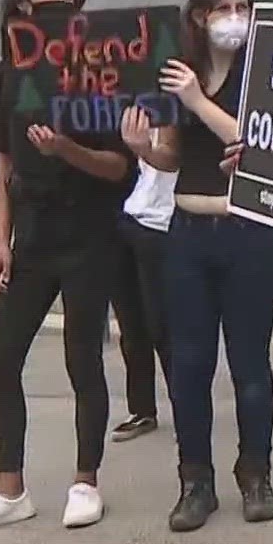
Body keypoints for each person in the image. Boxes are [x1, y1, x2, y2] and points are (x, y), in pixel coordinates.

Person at [0, 0, 129, 536]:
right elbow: (3, 162)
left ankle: (85, 480)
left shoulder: (99, 72)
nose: (55, 2)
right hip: (34, 236)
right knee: (0, 361)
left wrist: (66, 151)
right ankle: (10, 490)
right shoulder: (9, 76)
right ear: (22, 5)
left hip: (90, 234)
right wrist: (1, 238)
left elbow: (118, 167)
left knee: (82, 360)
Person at [122, 0, 273, 533]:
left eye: (243, 7)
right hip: (189, 232)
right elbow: (171, 155)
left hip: (250, 232)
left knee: (250, 363)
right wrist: (144, 148)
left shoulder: (262, 69)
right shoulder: (179, 74)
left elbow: (259, 139)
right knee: (189, 363)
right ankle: (195, 479)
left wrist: (197, 101)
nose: (234, 19)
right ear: (199, 15)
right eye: (223, 9)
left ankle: (256, 471)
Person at [109, 136, 176, 442]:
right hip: (128, 216)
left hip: (164, 224)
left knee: (162, 323)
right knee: (130, 323)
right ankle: (141, 409)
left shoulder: (183, 110)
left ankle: (186, 407)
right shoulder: (135, 110)